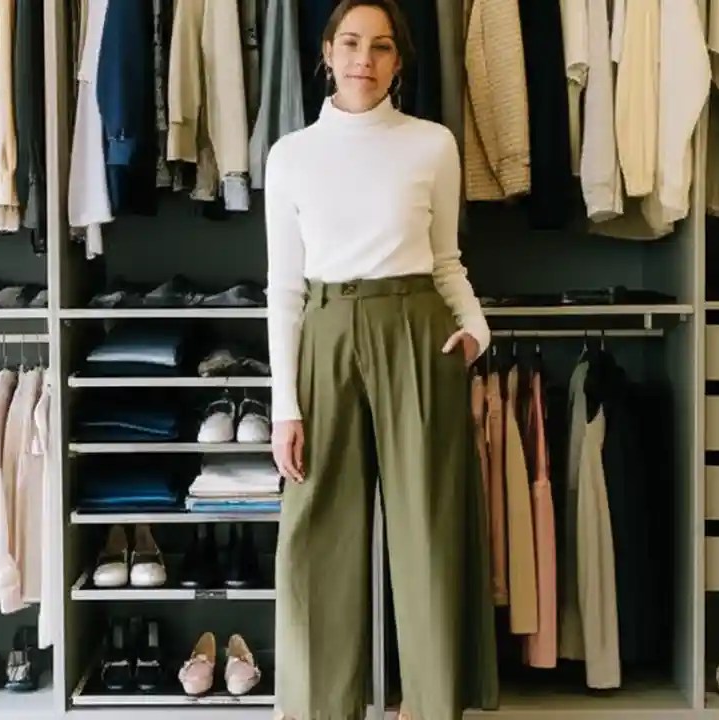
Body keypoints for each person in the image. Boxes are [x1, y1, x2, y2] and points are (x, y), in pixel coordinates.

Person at [263, 1, 499, 717]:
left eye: (383, 47)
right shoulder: (290, 155)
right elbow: (284, 288)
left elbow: (449, 261)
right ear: (327, 52)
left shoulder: (432, 145)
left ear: (400, 61)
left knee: (429, 529)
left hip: (417, 333)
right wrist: (285, 406)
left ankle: (432, 705)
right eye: (353, 43)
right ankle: (320, 707)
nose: (366, 59)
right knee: (318, 537)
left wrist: (477, 333)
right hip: (327, 332)